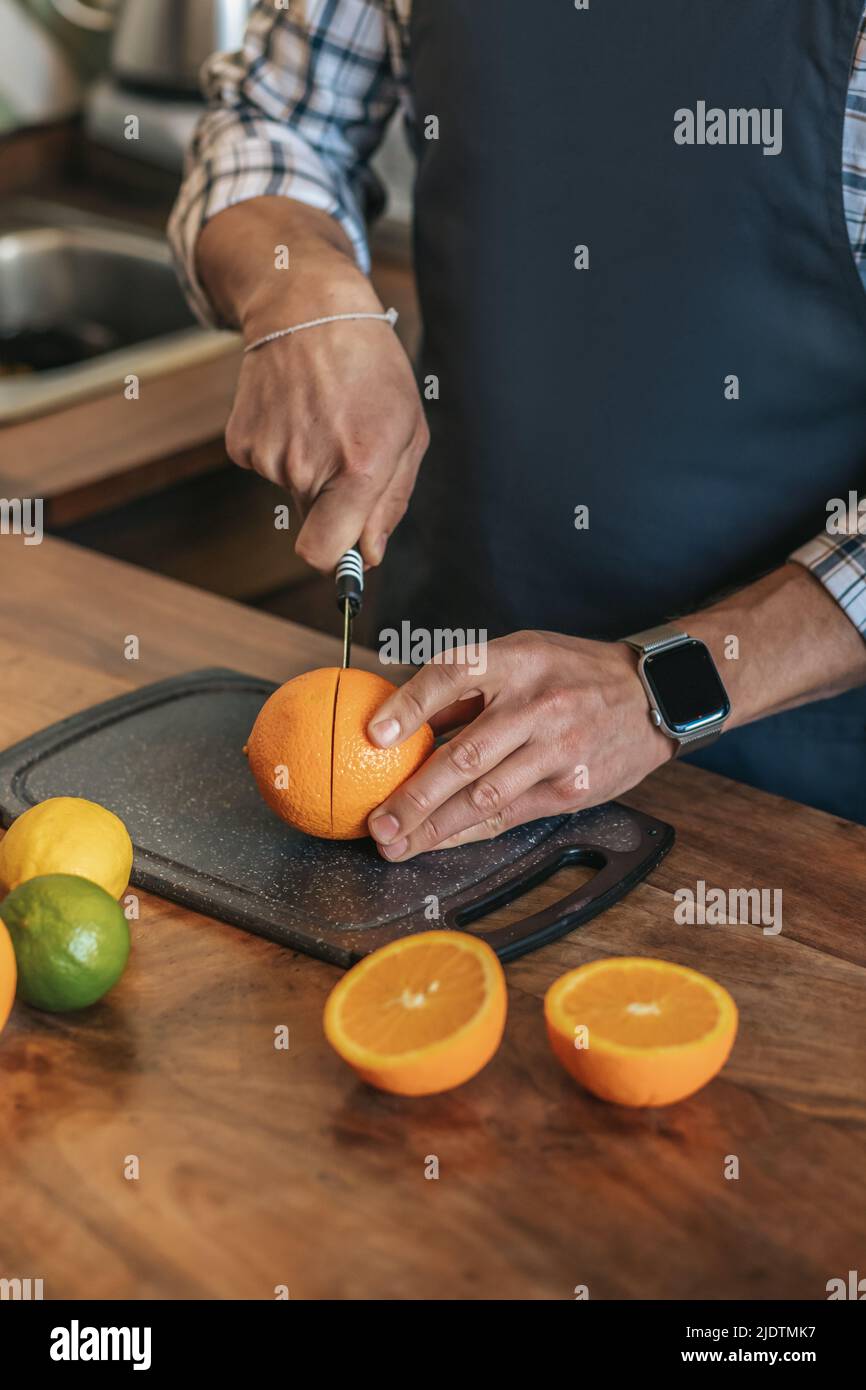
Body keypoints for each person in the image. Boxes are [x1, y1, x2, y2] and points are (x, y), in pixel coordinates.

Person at [170, 0, 866, 859]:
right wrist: (297, 290)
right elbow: (275, 122)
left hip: (801, 795)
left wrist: (664, 686)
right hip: (439, 701)